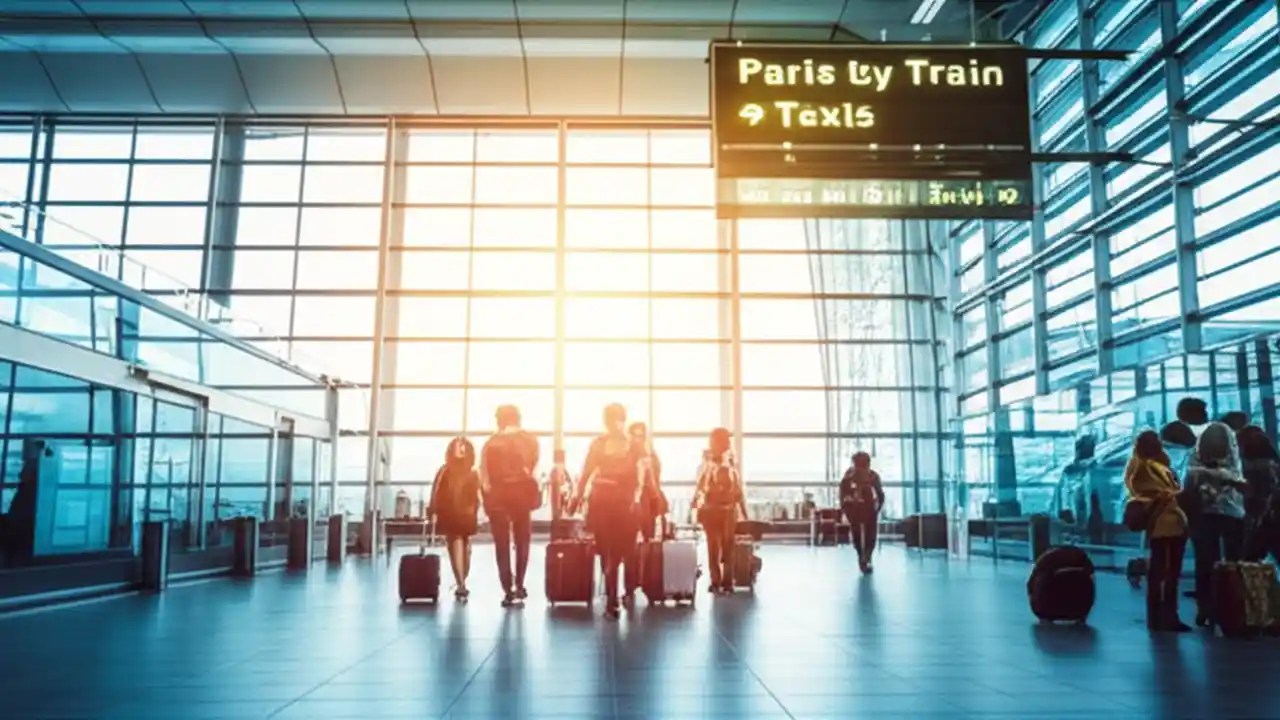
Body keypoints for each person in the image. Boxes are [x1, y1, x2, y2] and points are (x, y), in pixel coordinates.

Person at [573, 404, 644, 620]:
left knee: (613, 550)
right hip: (619, 502)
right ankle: (618, 594)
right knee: (616, 549)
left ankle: (616, 595)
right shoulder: (633, 445)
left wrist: (576, 497)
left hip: (609, 500)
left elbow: (586, 472)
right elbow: (643, 476)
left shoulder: (603, 444)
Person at [1125, 430, 1191, 632]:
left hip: (1168, 523)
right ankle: (1166, 617)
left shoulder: (1142, 465)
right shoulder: (1148, 467)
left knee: (1162, 572)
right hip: (1165, 523)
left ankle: (1160, 617)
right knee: (1166, 572)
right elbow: (1155, 491)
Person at [1183, 421, 1247, 627]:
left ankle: (1206, 607)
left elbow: (1188, 485)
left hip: (1202, 515)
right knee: (1233, 561)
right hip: (1232, 514)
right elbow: (1239, 481)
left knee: (1205, 562)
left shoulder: (1194, 465)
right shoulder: (1233, 464)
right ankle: (1233, 606)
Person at [480, 405, 540, 608]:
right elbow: (533, 468)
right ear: (518, 418)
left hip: (498, 497)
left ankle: (507, 589)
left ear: (500, 420)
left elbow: (484, 478)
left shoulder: (491, 442)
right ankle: (520, 584)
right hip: (521, 495)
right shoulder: (530, 440)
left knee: (502, 545)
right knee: (523, 541)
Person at [693, 428, 747, 595]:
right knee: (718, 547)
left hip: (723, 510)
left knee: (722, 547)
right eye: (726, 440)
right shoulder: (712, 462)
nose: (728, 443)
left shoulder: (728, 461)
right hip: (717, 510)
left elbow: (736, 487)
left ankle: (722, 582)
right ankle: (721, 582)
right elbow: (703, 483)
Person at [429, 437, 481, 601]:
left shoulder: (448, 470)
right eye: (459, 446)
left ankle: (461, 581)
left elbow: (435, 493)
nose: (462, 449)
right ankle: (461, 583)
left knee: (460, 546)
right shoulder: (466, 472)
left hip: (463, 513)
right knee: (459, 544)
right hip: (454, 513)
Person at [1236, 425, 1280, 562]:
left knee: (1249, 560)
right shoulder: (1275, 467)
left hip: (1257, 519)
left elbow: (1251, 496)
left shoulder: (1243, 470)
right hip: (1273, 517)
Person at [839, 451, 885, 574]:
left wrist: (877, 508)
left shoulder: (870, 476)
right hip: (858, 509)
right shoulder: (850, 477)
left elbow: (880, 494)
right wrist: (846, 509)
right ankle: (863, 556)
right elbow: (843, 494)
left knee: (865, 534)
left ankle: (865, 557)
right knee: (862, 534)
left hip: (865, 508)